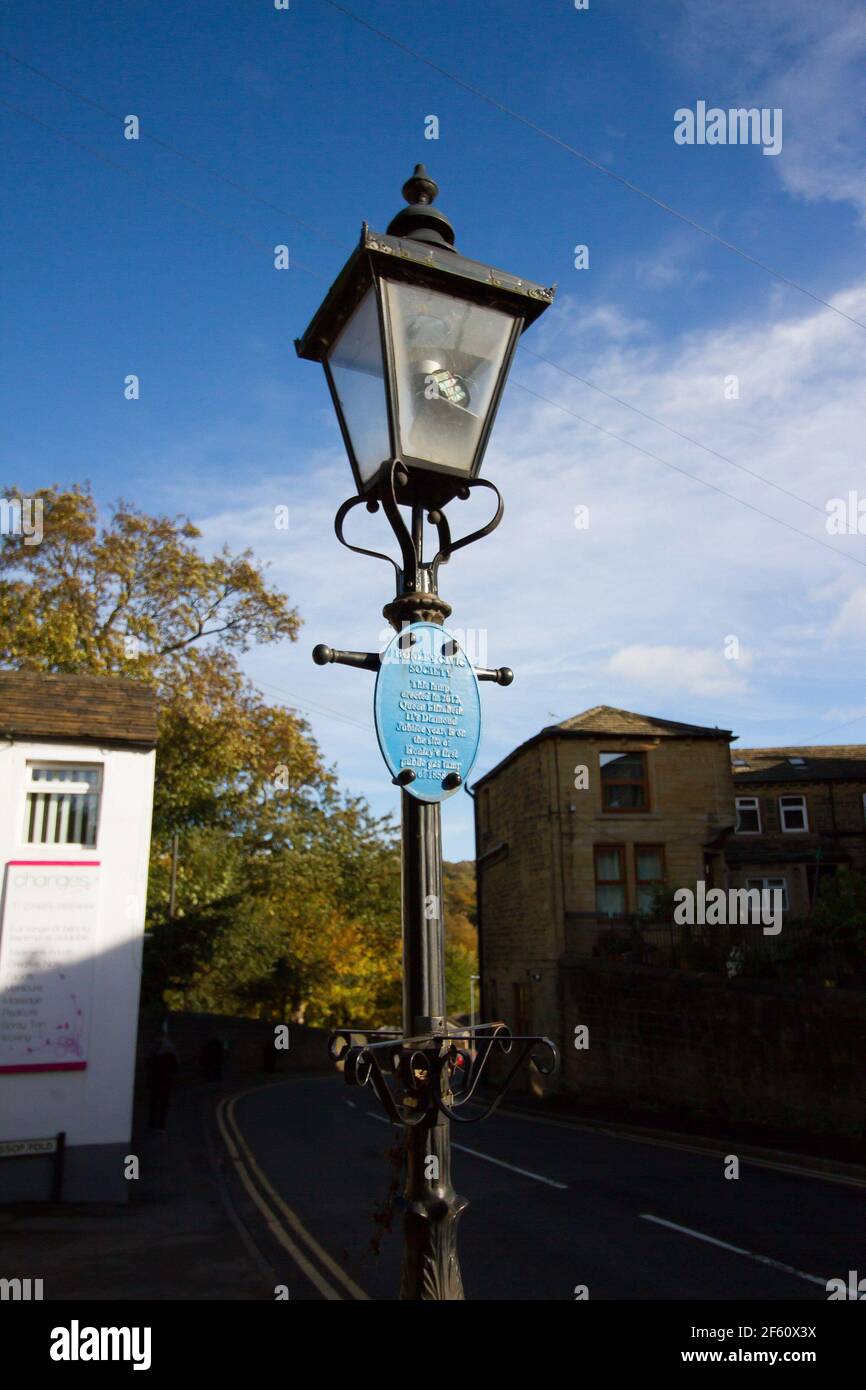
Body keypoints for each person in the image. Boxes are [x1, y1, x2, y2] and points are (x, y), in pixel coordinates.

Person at [146, 1028, 179, 1132]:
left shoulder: (153, 1050)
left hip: (156, 1081)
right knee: (163, 1104)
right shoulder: (171, 1051)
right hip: (165, 1081)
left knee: (154, 1103)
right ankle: (160, 1125)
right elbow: (176, 1066)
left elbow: (148, 1064)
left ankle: (152, 1124)